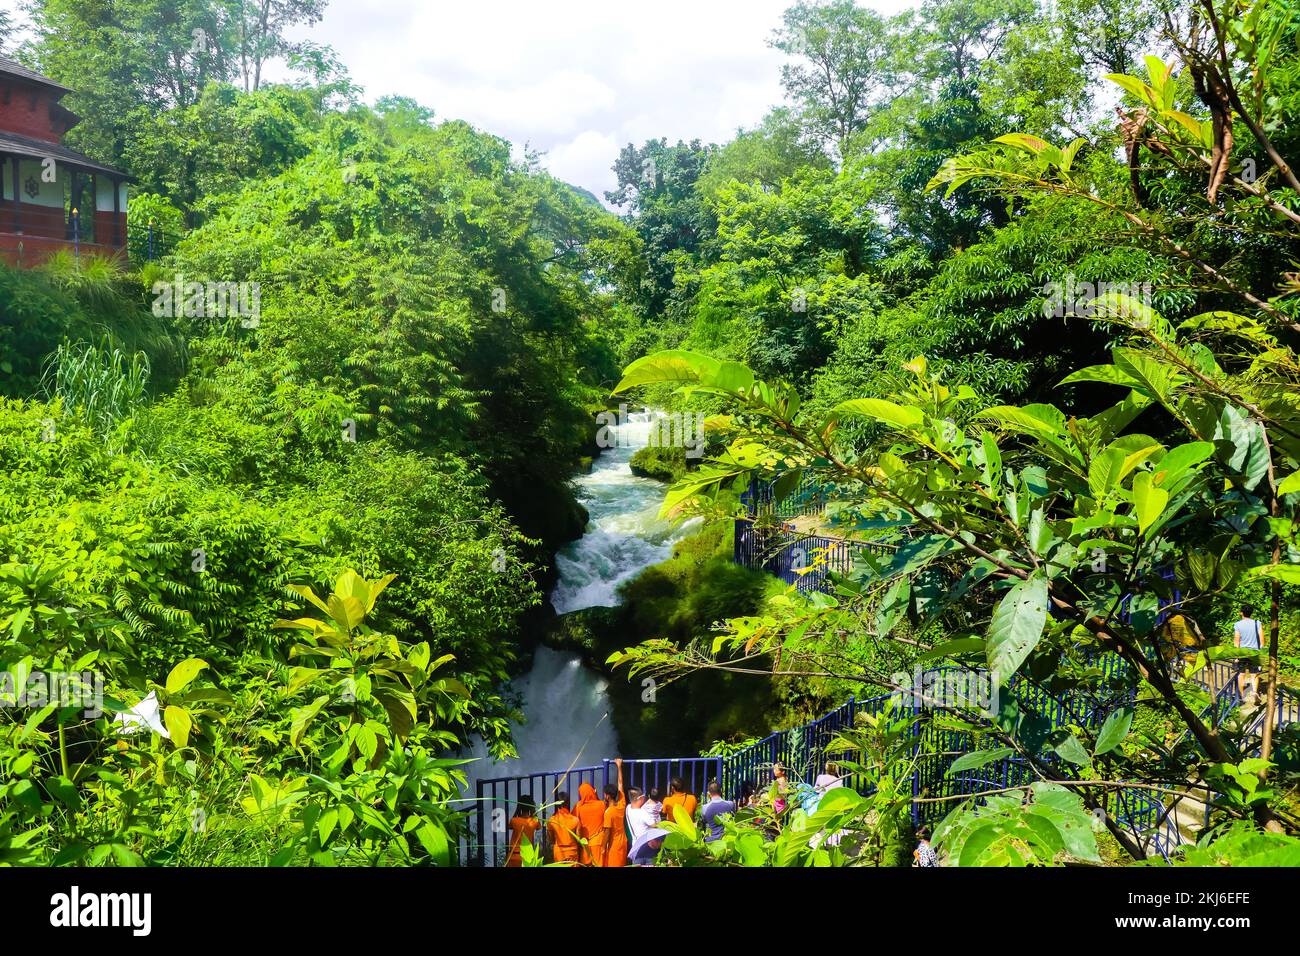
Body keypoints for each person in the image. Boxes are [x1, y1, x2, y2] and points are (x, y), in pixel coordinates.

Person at [1234, 604, 1264, 705]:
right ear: (1251, 613)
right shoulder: (1257, 623)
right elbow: (1262, 640)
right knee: (1254, 674)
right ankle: (1254, 692)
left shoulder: (1238, 624)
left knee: (1241, 674)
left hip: (1243, 653)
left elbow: (1237, 641)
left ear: (1241, 613)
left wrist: (1236, 656)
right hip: (1255, 653)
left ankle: (1243, 697)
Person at [600, 758, 628, 867]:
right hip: (623, 842)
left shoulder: (609, 812)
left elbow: (607, 832)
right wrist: (619, 766)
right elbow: (620, 784)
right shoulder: (621, 804)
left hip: (614, 846)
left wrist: (603, 847)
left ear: (607, 796)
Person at [1160, 612, 1205, 678]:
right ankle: (1180, 671)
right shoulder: (1177, 619)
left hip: (1180, 642)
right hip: (1178, 643)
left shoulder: (1176, 619)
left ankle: (1181, 671)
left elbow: (1165, 634)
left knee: (1183, 654)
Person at [574, 781, 607, 866]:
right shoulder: (602, 804)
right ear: (592, 791)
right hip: (598, 841)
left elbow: (573, 821)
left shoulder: (578, 806)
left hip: (585, 843)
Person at [546, 792, 582, 866]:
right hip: (572, 852)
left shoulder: (552, 820)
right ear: (568, 804)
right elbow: (579, 839)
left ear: (556, 804)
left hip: (559, 852)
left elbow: (551, 839)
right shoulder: (575, 820)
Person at [505, 795, 540, 867]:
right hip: (527, 856)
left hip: (514, 855)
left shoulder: (514, 821)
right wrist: (534, 811)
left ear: (519, 806)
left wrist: (517, 810)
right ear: (531, 807)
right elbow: (539, 827)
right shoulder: (534, 821)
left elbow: (509, 826)